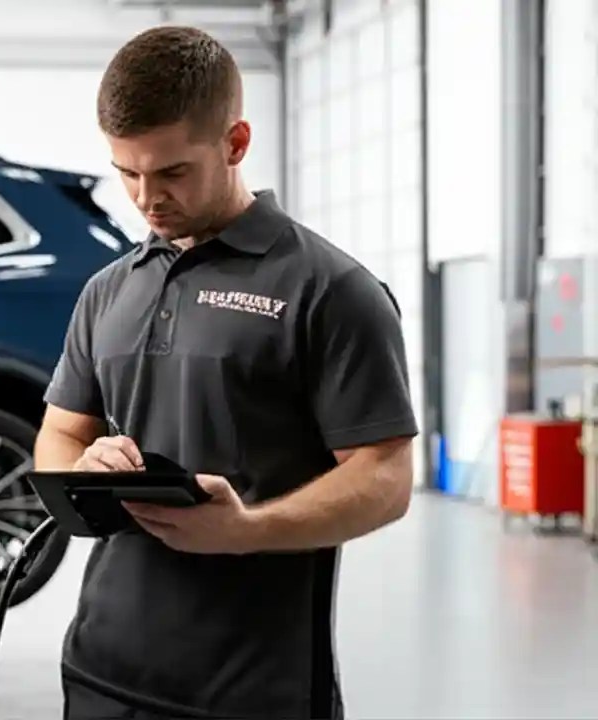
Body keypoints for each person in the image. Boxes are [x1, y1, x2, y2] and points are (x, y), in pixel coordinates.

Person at [35, 25, 418, 720]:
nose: (147, 198)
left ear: (235, 143)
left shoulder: (330, 291)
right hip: (100, 675)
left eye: (172, 172)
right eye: (128, 172)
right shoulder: (107, 292)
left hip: (250, 693)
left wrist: (250, 529)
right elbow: (59, 432)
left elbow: (386, 477)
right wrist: (86, 470)